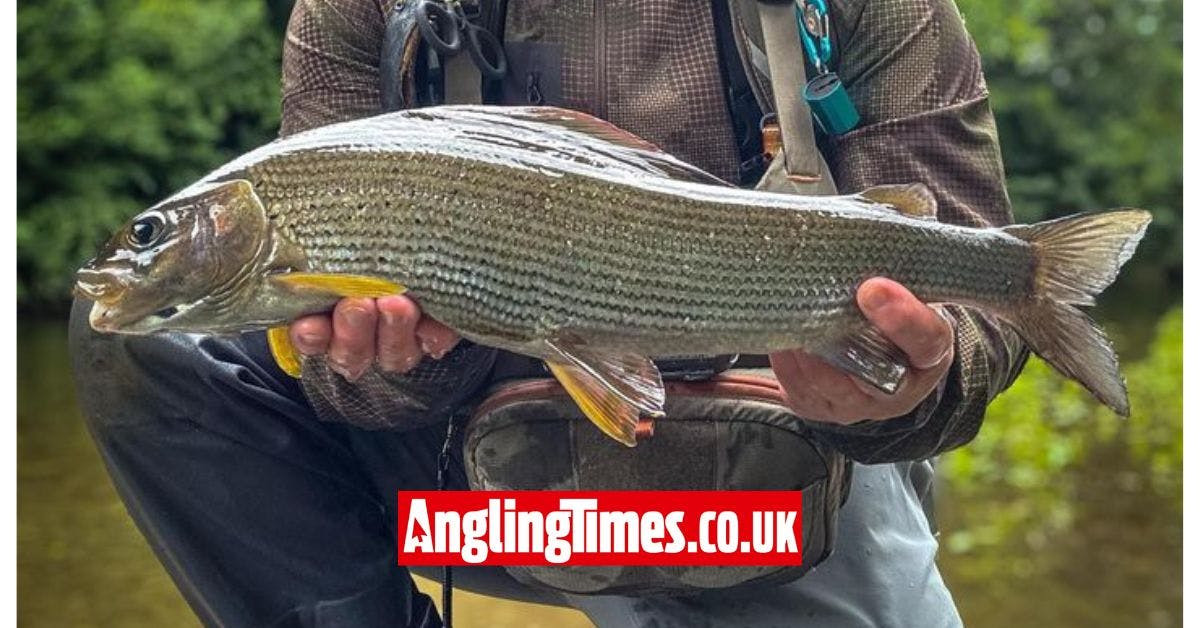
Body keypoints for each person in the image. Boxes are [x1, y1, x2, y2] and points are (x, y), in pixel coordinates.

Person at [70, 0, 1027, 625]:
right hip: (493, 499)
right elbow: (337, 376)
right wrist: (406, 360)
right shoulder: (360, 13)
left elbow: (981, 308)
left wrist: (899, 389)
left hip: (771, 479)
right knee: (161, 354)